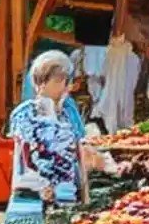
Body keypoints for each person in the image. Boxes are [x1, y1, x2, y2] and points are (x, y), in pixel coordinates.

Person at [9, 50, 99, 208]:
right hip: (32, 197)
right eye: (58, 80)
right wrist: (42, 185)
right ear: (41, 82)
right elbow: (25, 157)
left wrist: (85, 196)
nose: (65, 86)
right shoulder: (25, 113)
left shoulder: (68, 113)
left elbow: (78, 154)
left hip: (68, 198)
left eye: (66, 80)